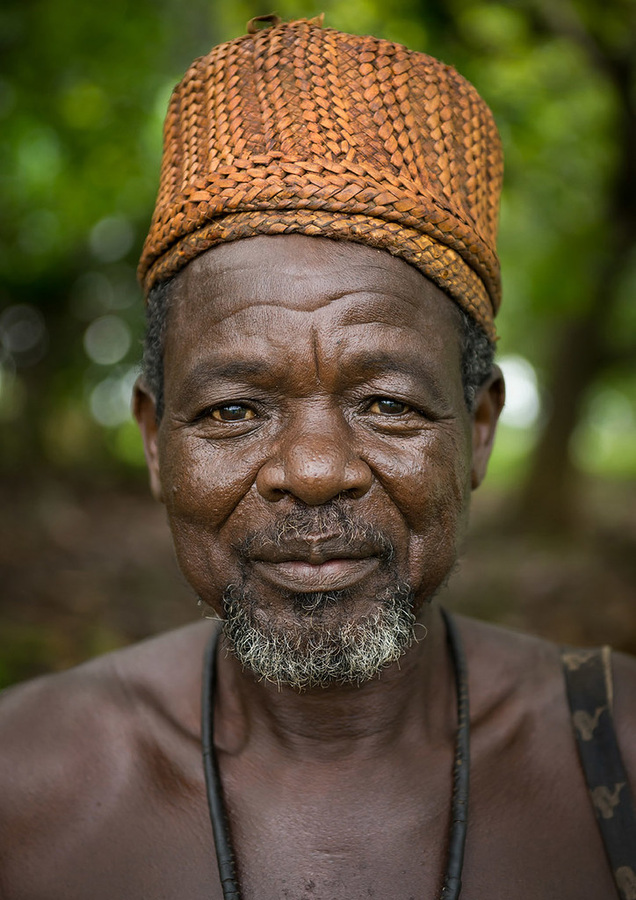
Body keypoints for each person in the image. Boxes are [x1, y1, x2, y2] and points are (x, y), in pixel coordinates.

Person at [1, 15, 635, 900]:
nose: (312, 470)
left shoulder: (617, 757)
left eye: (387, 404)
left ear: (478, 428)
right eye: (233, 409)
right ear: (155, 439)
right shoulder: (21, 789)